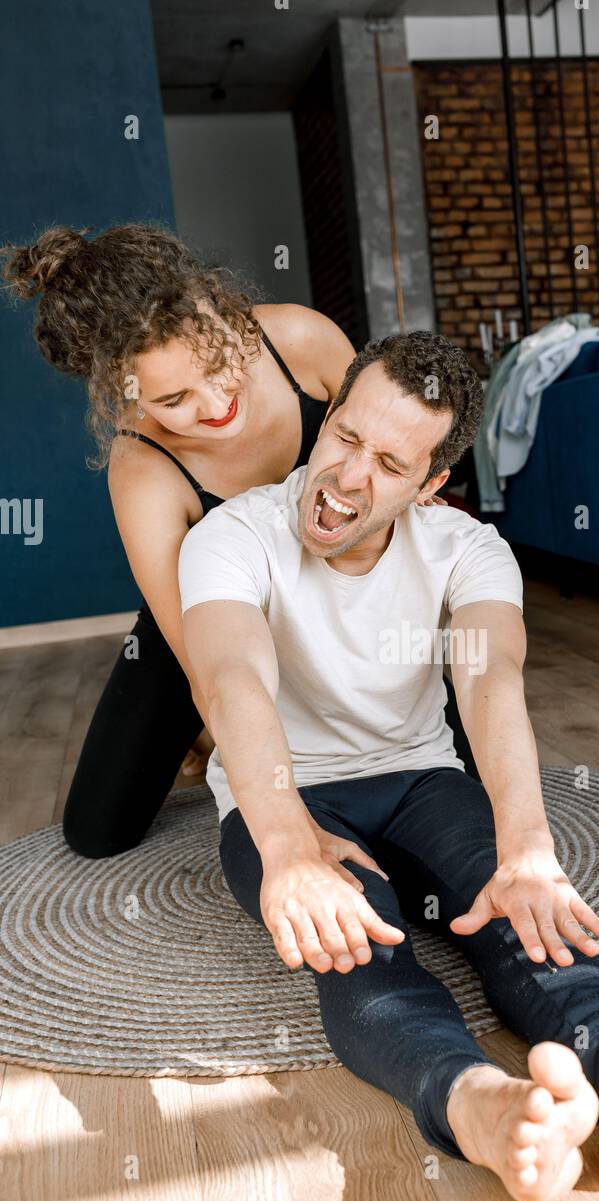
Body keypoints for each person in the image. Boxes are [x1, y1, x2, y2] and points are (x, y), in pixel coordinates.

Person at [178, 329, 599, 1201]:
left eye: (389, 463)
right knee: (356, 945)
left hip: (417, 777)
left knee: (519, 908)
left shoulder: (466, 548)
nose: (347, 476)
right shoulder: (232, 535)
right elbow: (230, 678)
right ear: (325, 418)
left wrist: (528, 848)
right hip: (291, 797)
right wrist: (289, 842)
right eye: (345, 438)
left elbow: (490, 680)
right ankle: (483, 1108)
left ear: (431, 486)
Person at [1, 223, 472, 864]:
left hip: (347, 585)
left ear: (221, 311)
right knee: (96, 830)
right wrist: (288, 824)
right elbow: (205, 663)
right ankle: (197, 742)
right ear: (123, 397)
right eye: (174, 398)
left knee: (465, 780)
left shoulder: (302, 341)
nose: (219, 401)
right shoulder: (141, 469)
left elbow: (395, 443)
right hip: (222, 613)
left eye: (220, 364)